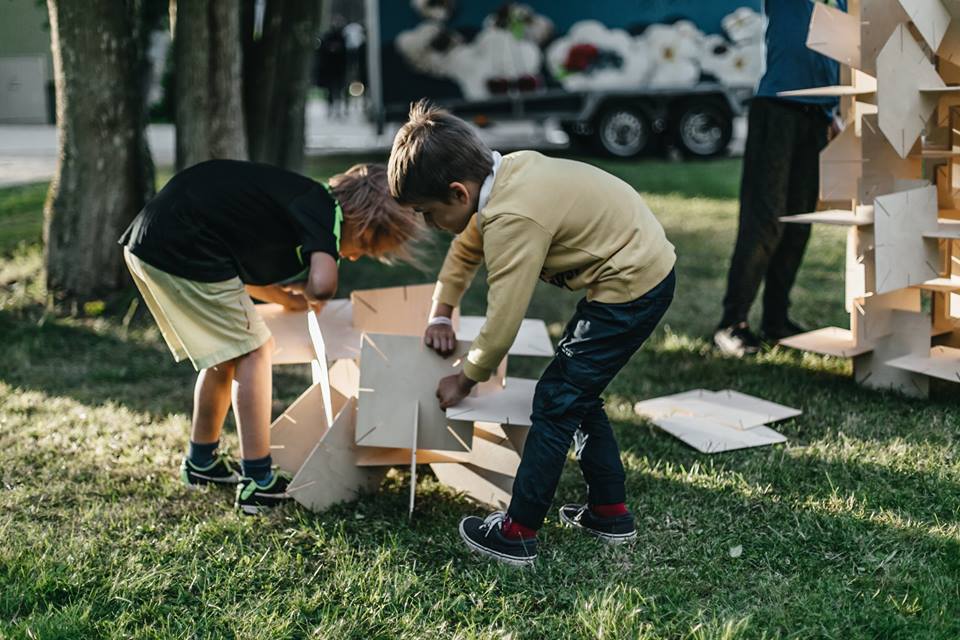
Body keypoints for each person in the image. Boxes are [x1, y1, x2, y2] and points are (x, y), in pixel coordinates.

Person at [388, 101, 676, 566]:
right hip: (634, 272)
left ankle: (517, 531)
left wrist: (465, 378)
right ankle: (609, 512)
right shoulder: (503, 180)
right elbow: (465, 254)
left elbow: (503, 323)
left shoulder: (510, 217)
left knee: (556, 400)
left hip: (632, 283)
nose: (428, 224)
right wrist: (441, 313)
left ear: (459, 193)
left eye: (426, 212)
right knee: (575, 393)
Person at [119, 161, 421, 515]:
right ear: (362, 220)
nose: (352, 256)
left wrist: (281, 297)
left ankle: (201, 462)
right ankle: (258, 480)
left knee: (226, 355)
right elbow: (324, 285)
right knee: (256, 350)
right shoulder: (324, 209)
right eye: (365, 246)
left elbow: (237, 269)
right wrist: (312, 291)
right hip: (183, 246)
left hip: (156, 242)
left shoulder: (295, 204)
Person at [714, 0, 846, 357]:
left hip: (818, 116)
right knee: (765, 221)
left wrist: (835, 111)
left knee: (799, 222)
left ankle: (776, 321)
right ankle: (732, 324)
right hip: (777, 110)